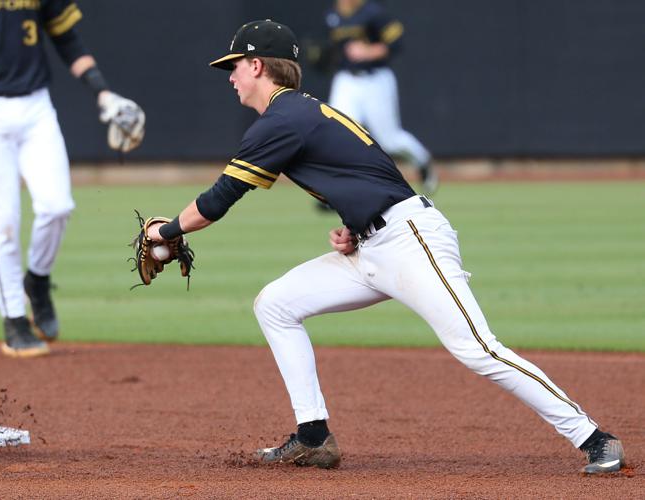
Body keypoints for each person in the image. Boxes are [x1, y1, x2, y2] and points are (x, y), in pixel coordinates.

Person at [147, 19, 625, 474]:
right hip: (371, 247)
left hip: (410, 240)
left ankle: (594, 437)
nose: (230, 77)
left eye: (234, 66)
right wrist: (354, 226)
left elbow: (217, 201)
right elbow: (368, 176)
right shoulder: (299, 114)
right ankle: (313, 436)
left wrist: (164, 233)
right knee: (275, 303)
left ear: (257, 66)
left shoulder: (283, 117)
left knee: (476, 347)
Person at [0, 0, 145, 358]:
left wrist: (102, 91)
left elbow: (67, 39)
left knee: (57, 206)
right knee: (1, 220)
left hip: (36, 106)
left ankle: (36, 279)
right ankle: (14, 319)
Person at [310, 0, 437, 195]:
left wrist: (369, 51)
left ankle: (422, 161)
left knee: (390, 140)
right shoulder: (332, 17)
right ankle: (338, 190)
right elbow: (328, 50)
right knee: (338, 132)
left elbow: (396, 42)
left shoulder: (373, 12)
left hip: (375, 79)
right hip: (346, 80)